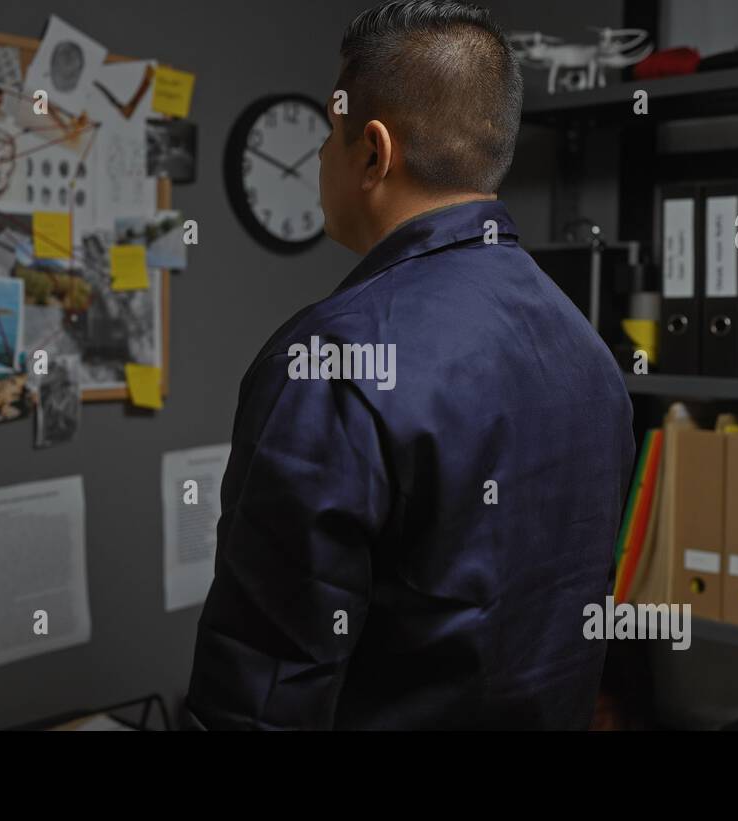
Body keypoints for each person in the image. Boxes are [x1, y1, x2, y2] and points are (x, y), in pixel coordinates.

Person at [186, 0, 634, 730]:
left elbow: (264, 693)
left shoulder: (330, 364)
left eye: (327, 137)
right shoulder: (586, 352)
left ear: (373, 150)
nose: (323, 160)